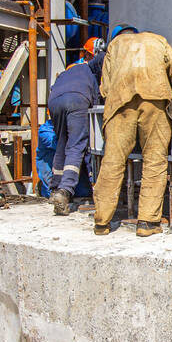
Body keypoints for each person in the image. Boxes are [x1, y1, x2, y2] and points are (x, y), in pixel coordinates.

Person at [91, 25, 172, 236]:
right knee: (154, 160)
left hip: (120, 102)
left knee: (113, 161)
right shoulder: (158, 40)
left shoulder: (115, 45)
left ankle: (101, 222)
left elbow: (105, 86)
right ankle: (147, 223)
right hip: (155, 99)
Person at [48, 45, 103, 215]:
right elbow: (97, 104)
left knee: (62, 143)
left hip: (54, 101)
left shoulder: (72, 69)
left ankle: (55, 187)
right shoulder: (92, 75)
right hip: (77, 100)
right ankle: (65, 191)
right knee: (77, 145)